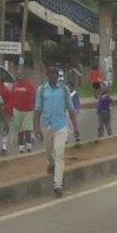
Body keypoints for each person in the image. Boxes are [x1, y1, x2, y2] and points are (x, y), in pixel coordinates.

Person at [34, 65, 80, 197]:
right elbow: (37, 110)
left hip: (61, 126)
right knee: (49, 152)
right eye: (52, 74)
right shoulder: (42, 90)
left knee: (59, 154)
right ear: (47, 75)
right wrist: (36, 128)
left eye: (56, 74)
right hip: (46, 126)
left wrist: (76, 127)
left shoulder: (64, 90)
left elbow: (71, 109)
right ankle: (51, 163)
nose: (54, 76)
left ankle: (57, 185)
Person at [11, 70, 37, 153]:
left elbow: (33, 97)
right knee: (19, 129)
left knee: (28, 129)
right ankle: (21, 147)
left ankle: (29, 146)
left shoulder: (30, 85)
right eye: (19, 75)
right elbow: (12, 97)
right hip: (17, 110)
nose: (20, 76)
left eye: (22, 75)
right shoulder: (14, 85)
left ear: (25, 76)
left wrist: (32, 107)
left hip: (28, 110)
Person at [0, 76, 13, 155]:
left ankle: (3, 147)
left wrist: (6, 109)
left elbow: (9, 101)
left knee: (4, 129)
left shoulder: (5, 90)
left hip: (3, 112)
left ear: (0, 81)